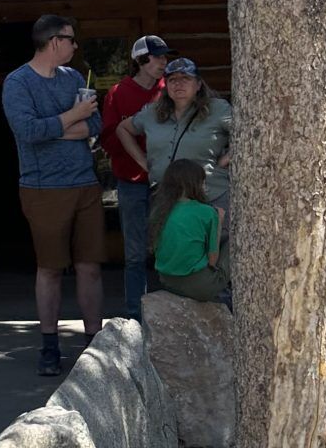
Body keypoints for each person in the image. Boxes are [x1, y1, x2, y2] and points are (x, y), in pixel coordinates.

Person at [1, 14, 104, 378]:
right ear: (54, 41)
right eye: (71, 39)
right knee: (50, 269)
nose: (76, 46)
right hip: (43, 188)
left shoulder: (75, 78)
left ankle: (95, 344)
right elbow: (27, 130)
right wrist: (72, 117)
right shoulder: (18, 82)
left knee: (90, 266)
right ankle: (50, 345)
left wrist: (59, 127)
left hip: (85, 183)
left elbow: (95, 124)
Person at [100, 36, 170, 320]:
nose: (163, 62)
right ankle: (135, 317)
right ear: (141, 60)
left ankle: (171, 314)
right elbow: (108, 138)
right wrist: (136, 130)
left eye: (165, 57)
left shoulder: (171, 89)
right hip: (131, 181)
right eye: (157, 57)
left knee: (171, 248)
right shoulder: (118, 93)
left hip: (167, 183)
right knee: (134, 255)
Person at [118, 57, 233, 213]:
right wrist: (144, 163)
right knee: (167, 238)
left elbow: (248, 135)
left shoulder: (218, 109)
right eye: (172, 79)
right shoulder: (152, 113)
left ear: (198, 84)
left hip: (210, 197)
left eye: (186, 78)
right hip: (166, 199)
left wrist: (226, 159)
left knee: (213, 238)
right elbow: (123, 129)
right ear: (166, 86)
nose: (179, 84)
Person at [151, 158, 229, 303]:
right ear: (195, 184)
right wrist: (219, 223)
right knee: (234, 243)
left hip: (167, 282)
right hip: (199, 288)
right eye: (203, 182)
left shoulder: (160, 212)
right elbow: (212, 261)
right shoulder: (207, 212)